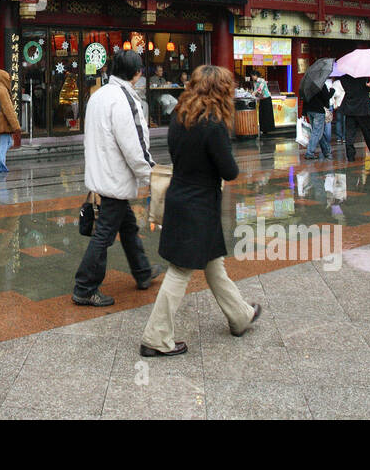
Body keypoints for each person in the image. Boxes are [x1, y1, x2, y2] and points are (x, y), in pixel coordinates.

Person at [140, 64, 260, 355]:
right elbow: (229, 171)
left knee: (213, 265)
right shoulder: (214, 123)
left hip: (181, 199)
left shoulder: (179, 117)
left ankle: (240, 315)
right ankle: (156, 338)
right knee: (180, 270)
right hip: (200, 207)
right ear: (220, 90)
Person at [71, 50, 162, 307]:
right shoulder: (124, 100)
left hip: (102, 174)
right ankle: (85, 286)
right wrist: (150, 175)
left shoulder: (98, 95)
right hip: (116, 178)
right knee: (104, 235)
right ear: (137, 73)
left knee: (128, 226)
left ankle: (142, 272)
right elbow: (134, 145)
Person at [338, 74, 370, 161]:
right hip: (362, 108)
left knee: (349, 133)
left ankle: (350, 156)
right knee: (368, 133)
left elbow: (346, 88)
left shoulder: (344, 77)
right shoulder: (364, 75)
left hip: (350, 108)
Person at [0, 68, 20, 174]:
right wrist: (16, 125)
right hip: (3, 123)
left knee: (8, 142)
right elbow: (8, 110)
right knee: (4, 143)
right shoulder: (3, 90)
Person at [303, 82, 333, 160]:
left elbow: (305, 98)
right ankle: (310, 152)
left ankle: (326, 151)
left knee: (318, 131)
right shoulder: (321, 84)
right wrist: (332, 91)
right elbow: (326, 97)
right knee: (316, 132)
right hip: (318, 111)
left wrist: (304, 112)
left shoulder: (308, 85)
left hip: (309, 110)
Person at [329, 76, 346, 147]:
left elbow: (334, 94)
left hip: (338, 103)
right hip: (345, 103)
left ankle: (339, 137)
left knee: (338, 121)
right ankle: (345, 137)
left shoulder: (335, 83)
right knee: (345, 121)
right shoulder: (345, 82)